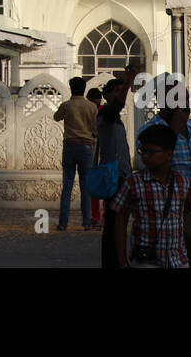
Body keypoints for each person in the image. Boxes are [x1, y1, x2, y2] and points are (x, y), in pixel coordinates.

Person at [135, 80, 191, 267]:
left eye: (186, 98)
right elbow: (151, 168)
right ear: (164, 104)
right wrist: (173, 131)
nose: (185, 104)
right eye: (178, 99)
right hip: (170, 216)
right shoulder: (149, 131)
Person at [112, 123, 191, 268]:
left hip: (178, 260)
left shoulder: (183, 182)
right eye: (142, 151)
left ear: (168, 154)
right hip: (147, 261)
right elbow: (120, 220)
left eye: (151, 152)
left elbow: (185, 212)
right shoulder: (134, 183)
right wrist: (122, 261)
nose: (145, 156)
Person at [95, 78, 133, 267]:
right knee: (113, 224)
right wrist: (130, 80)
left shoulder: (114, 119)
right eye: (116, 91)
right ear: (107, 95)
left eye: (122, 90)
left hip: (122, 175)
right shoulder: (105, 116)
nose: (120, 94)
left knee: (118, 223)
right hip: (112, 177)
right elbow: (117, 105)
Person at [53, 76, 98, 231]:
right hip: (86, 147)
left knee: (67, 185)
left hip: (70, 147)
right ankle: (86, 222)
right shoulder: (91, 107)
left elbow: (56, 117)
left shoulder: (67, 105)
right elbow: (95, 129)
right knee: (86, 187)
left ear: (71, 89)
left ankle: (63, 223)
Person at [87, 87, 105, 227]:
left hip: (100, 151)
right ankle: (97, 217)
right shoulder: (98, 111)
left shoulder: (101, 112)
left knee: (100, 185)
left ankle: (98, 216)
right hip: (95, 151)